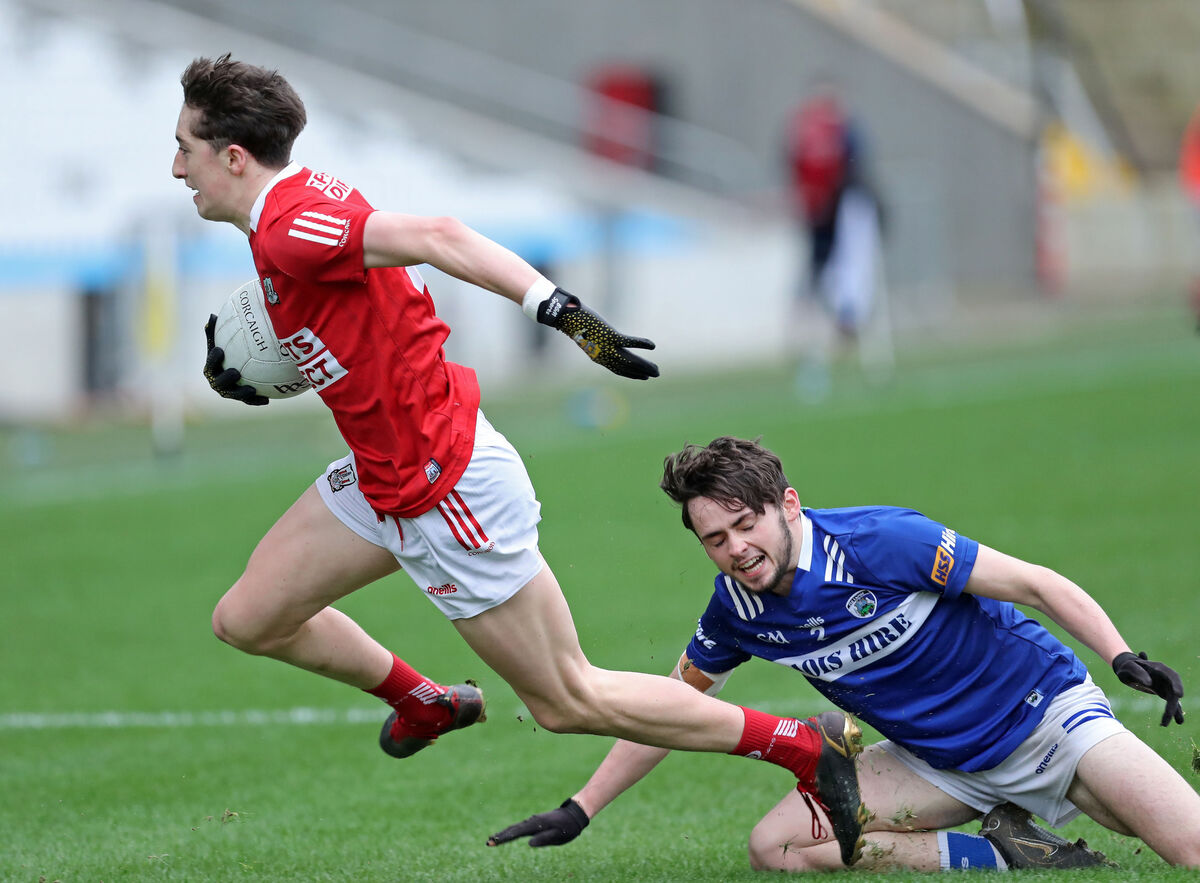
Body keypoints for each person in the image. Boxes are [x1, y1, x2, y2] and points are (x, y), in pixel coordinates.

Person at [172, 55, 868, 864]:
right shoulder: (287, 215)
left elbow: (440, 237)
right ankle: (425, 701)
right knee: (248, 616)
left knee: (568, 697)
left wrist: (570, 317)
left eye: (186, 145)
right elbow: (361, 315)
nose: (176, 165)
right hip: (383, 475)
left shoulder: (292, 225)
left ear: (233, 156)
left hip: (447, 489)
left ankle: (800, 745)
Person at [490, 436, 1200, 871]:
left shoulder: (883, 542)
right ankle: (1009, 850)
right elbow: (669, 709)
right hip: (940, 765)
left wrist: (1118, 654)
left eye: (746, 524)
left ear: (788, 504)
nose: (736, 548)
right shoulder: (736, 609)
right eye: (715, 538)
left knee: (1186, 848)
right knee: (778, 848)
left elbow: (1036, 584)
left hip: (1048, 720)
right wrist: (582, 807)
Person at [784, 85, 892, 400]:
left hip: (821, 221)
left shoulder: (806, 130)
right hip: (831, 223)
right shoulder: (842, 131)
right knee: (835, 290)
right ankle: (827, 353)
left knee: (827, 289)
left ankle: (823, 357)